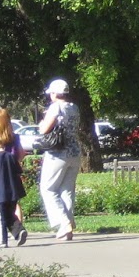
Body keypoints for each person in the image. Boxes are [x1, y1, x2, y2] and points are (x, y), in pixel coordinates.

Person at [36, 78, 82, 241]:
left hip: (58, 153)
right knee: (67, 190)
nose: (50, 96)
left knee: (48, 188)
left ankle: (64, 222)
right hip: (75, 152)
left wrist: (42, 123)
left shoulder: (55, 107)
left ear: (55, 93)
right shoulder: (74, 107)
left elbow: (44, 129)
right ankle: (66, 229)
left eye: (51, 93)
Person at [0, 108, 28, 246]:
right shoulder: (14, 137)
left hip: (0, 183)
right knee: (12, 208)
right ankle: (18, 229)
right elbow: (21, 154)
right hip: (13, 179)